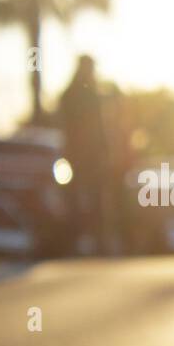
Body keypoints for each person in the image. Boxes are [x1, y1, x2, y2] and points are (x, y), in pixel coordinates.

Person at [58, 55, 108, 255]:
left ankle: (94, 243)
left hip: (87, 156)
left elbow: (99, 128)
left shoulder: (86, 94)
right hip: (79, 156)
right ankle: (77, 242)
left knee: (94, 200)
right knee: (77, 199)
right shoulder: (76, 95)